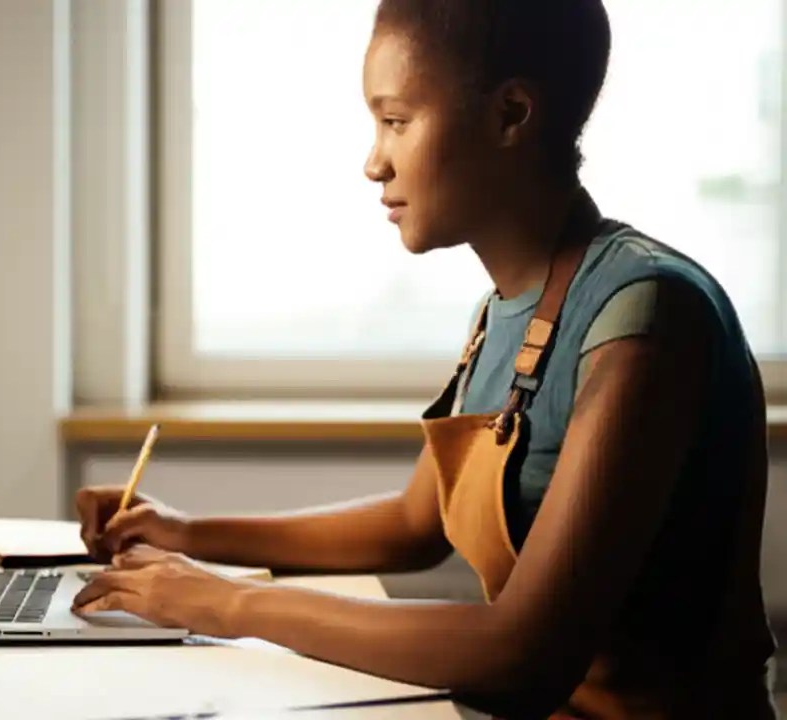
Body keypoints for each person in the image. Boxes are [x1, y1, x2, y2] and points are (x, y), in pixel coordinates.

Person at [71, 1, 779, 717]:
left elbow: (522, 652)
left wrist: (229, 604)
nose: (374, 161)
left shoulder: (646, 317)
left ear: (510, 115)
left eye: (397, 121)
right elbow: (416, 524)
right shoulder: (506, 312)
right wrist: (188, 533)